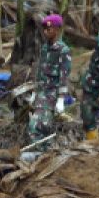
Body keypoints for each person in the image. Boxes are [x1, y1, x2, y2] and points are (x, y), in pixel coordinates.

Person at [30, 14, 72, 145]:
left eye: (49, 29)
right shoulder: (44, 48)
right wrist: (34, 92)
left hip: (52, 95)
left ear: (57, 29)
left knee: (35, 126)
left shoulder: (63, 50)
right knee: (41, 125)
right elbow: (39, 71)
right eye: (44, 29)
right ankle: (42, 151)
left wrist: (60, 99)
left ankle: (41, 152)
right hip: (42, 92)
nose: (45, 31)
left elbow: (64, 76)